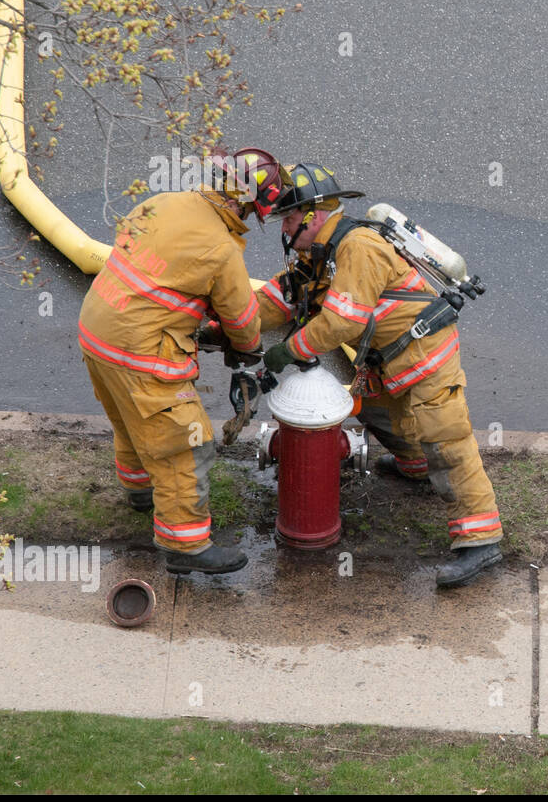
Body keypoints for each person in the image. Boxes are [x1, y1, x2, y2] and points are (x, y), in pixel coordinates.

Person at [254, 163, 502, 588]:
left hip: (426, 355)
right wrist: (226, 323)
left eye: (290, 218)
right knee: (376, 411)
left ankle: (480, 541)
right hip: (392, 359)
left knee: (446, 440)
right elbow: (278, 299)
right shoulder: (317, 256)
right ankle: (415, 467)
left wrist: (286, 351)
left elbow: (339, 324)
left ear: (313, 217)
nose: (286, 227)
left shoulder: (358, 248)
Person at [78, 147, 286, 574]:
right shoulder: (222, 249)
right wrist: (245, 350)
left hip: (97, 332)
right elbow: (243, 320)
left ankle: (139, 493)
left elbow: (159, 271)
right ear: (248, 203)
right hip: (139, 352)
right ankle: (184, 544)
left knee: (130, 420)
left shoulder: (162, 202)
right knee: (185, 443)